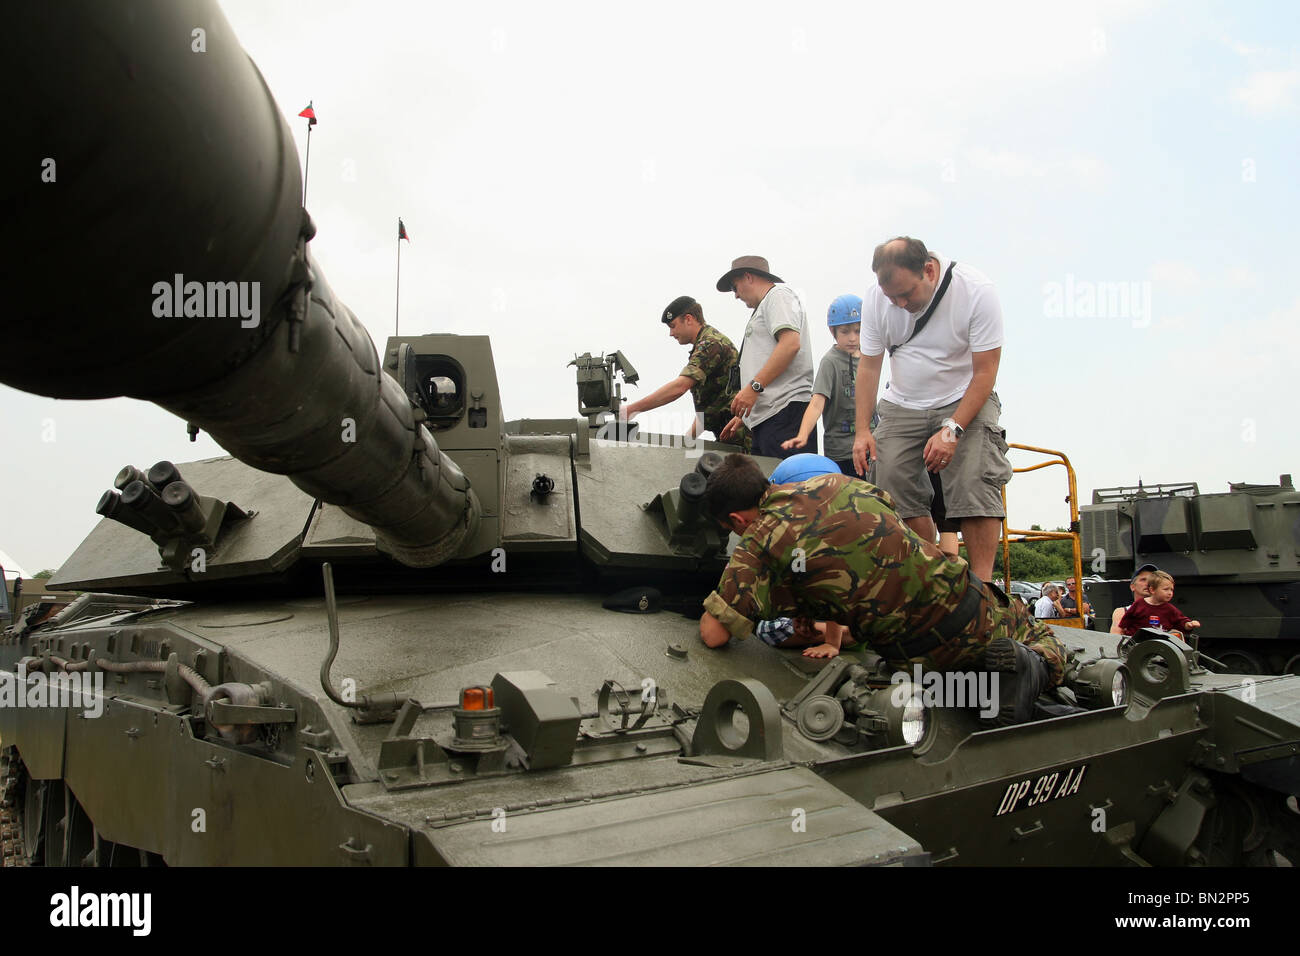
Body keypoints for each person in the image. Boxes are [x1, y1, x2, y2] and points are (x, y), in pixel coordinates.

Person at [697, 454, 1069, 725]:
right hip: (970, 604)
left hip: (916, 657)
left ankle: (1004, 682)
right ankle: (1028, 667)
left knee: (936, 687)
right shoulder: (841, 484)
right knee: (1042, 637)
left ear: (735, 519)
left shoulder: (757, 542)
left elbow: (714, 634)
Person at [851, 237, 1012, 583]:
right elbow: (869, 367)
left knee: (974, 480)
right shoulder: (877, 300)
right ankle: (927, 576)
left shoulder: (976, 291)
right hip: (903, 402)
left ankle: (982, 590)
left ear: (928, 270)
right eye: (893, 297)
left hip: (963, 396)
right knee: (888, 479)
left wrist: (953, 429)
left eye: (906, 294)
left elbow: (986, 371)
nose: (900, 303)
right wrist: (863, 429)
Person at [714, 255, 815, 458]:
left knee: (789, 487)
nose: (735, 295)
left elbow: (790, 344)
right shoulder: (767, 304)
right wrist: (746, 417)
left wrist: (754, 387)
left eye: (735, 287)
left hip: (785, 413)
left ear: (748, 277)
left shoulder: (778, 295)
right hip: (769, 417)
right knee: (770, 487)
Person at [621, 296, 742, 444]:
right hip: (728, 432)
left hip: (740, 432)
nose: (671, 333)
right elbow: (710, 407)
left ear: (689, 319)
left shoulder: (710, 343)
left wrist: (632, 409)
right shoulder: (705, 343)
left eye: (673, 326)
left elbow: (679, 387)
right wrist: (687, 441)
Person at [781, 294, 861, 475]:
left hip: (869, 446)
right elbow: (817, 403)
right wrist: (803, 434)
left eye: (858, 331)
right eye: (845, 331)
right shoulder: (830, 362)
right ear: (833, 331)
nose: (852, 338)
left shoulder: (870, 357)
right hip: (841, 451)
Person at [1117, 571, 1200, 637]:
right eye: (1166, 589)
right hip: (1137, 645)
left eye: (1171, 590)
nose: (1170, 593)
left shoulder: (1170, 609)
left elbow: (1180, 621)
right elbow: (1124, 623)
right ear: (1152, 590)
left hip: (1159, 647)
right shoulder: (1139, 604)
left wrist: (1188, 625)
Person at [1110, 564, 1158, 634]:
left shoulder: (1168, 611)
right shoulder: (1122, 612)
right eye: (1143, 579)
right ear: (1132, 587)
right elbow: (1114, 640)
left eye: (1152, 580)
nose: (1148, 583)